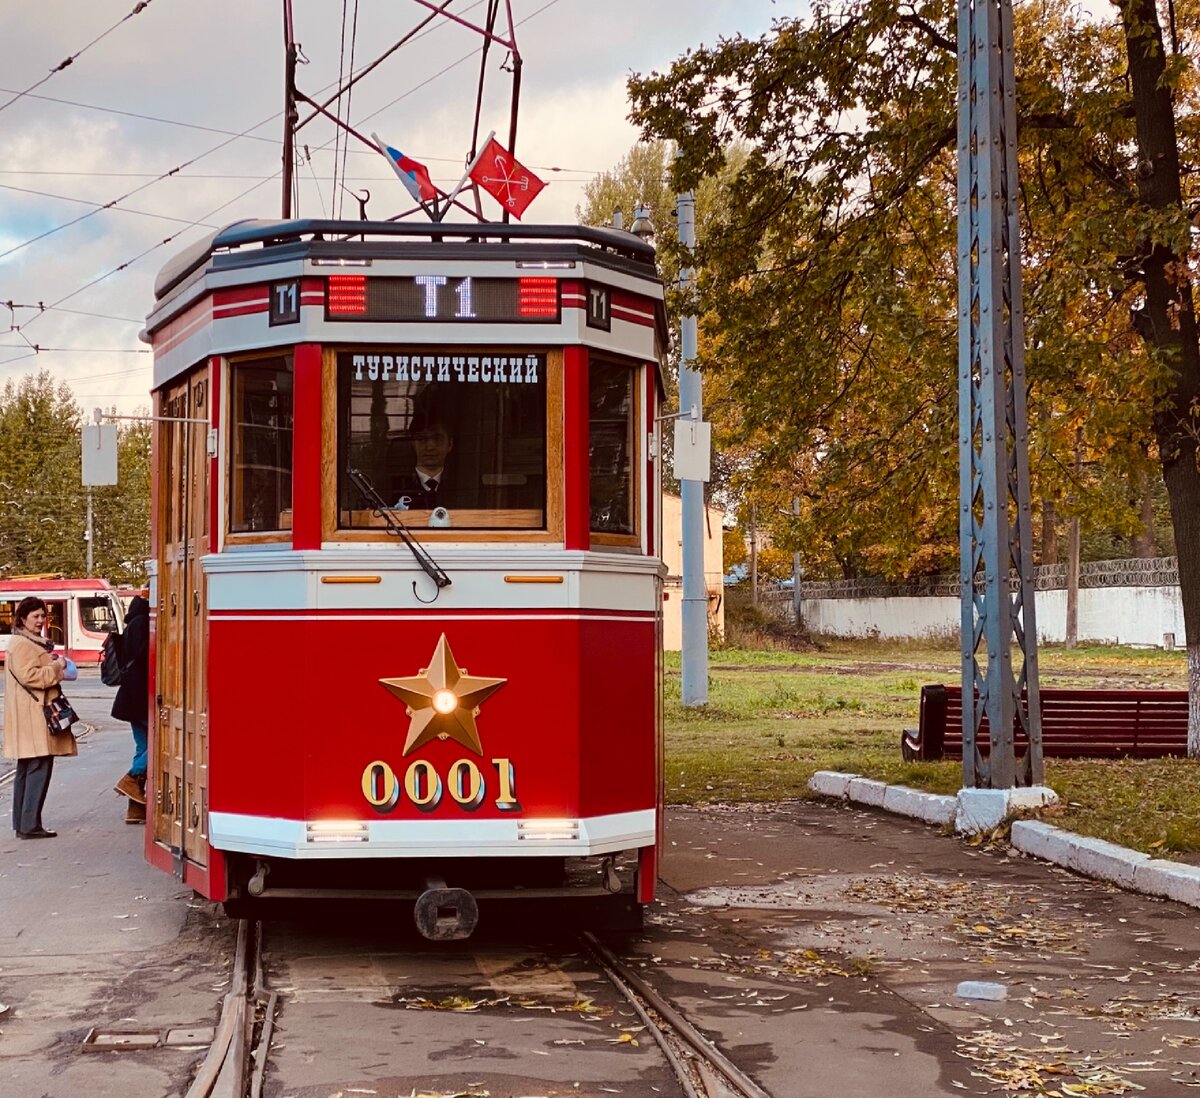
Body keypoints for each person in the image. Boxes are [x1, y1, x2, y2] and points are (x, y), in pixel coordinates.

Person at [3, 596, 74, 839]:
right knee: (38, 767)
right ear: (23, 618)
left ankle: (24, 823)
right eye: (35, 617)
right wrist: (57, 667)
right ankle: (30, 824)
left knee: (28, 767)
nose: (41, 621)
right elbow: (31, 677)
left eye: (43, 616)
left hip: (30, 714)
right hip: (35, 715)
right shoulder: (23, 645)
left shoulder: (23, 642)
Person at [111, 595, 150, 824]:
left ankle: (135, 810)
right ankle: (131, 777)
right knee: (155, 747)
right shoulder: (144, 623)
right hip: (140, 699)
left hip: (131, 698)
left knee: (143, 747)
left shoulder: (132, 623)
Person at [392, 417, 460, 509]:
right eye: (422, 439)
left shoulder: (461, 488)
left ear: (450, 444)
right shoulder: (395, 487)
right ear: (413, 444)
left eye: (437, 438)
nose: (429, 447)